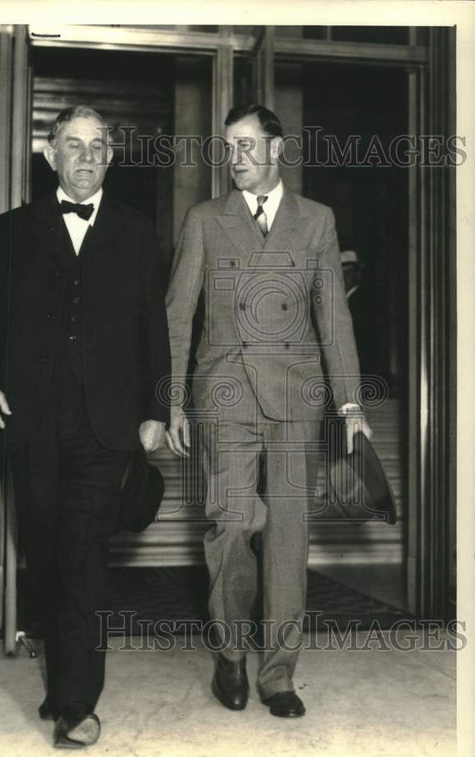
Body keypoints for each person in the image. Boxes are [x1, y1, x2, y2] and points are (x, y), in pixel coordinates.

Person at [0, 105, 170, 747]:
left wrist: (157, 410)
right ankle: (61, 680)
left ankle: (79, 703)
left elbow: (152, 331)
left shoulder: (137, 232)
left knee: (84, 558)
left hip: (106, 429)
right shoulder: (12, 231)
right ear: (50, 157)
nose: (86, 156)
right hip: (33, 423)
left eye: (98, 145)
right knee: (47, 556)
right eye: (72, 145)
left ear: (110, 157)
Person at [165, 103, 371, 719]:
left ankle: (279, 674)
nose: (237, 159)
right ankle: (230, 652)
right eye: (229, 148)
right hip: (224, 393)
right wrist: (173, 400)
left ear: (279, 150)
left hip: (295, 397)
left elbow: (334, 317)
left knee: (287, 536)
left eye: (249, 146)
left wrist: (351, 401)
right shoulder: (205, 220)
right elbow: (178, 314)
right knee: (231, 525)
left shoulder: (316, 222)